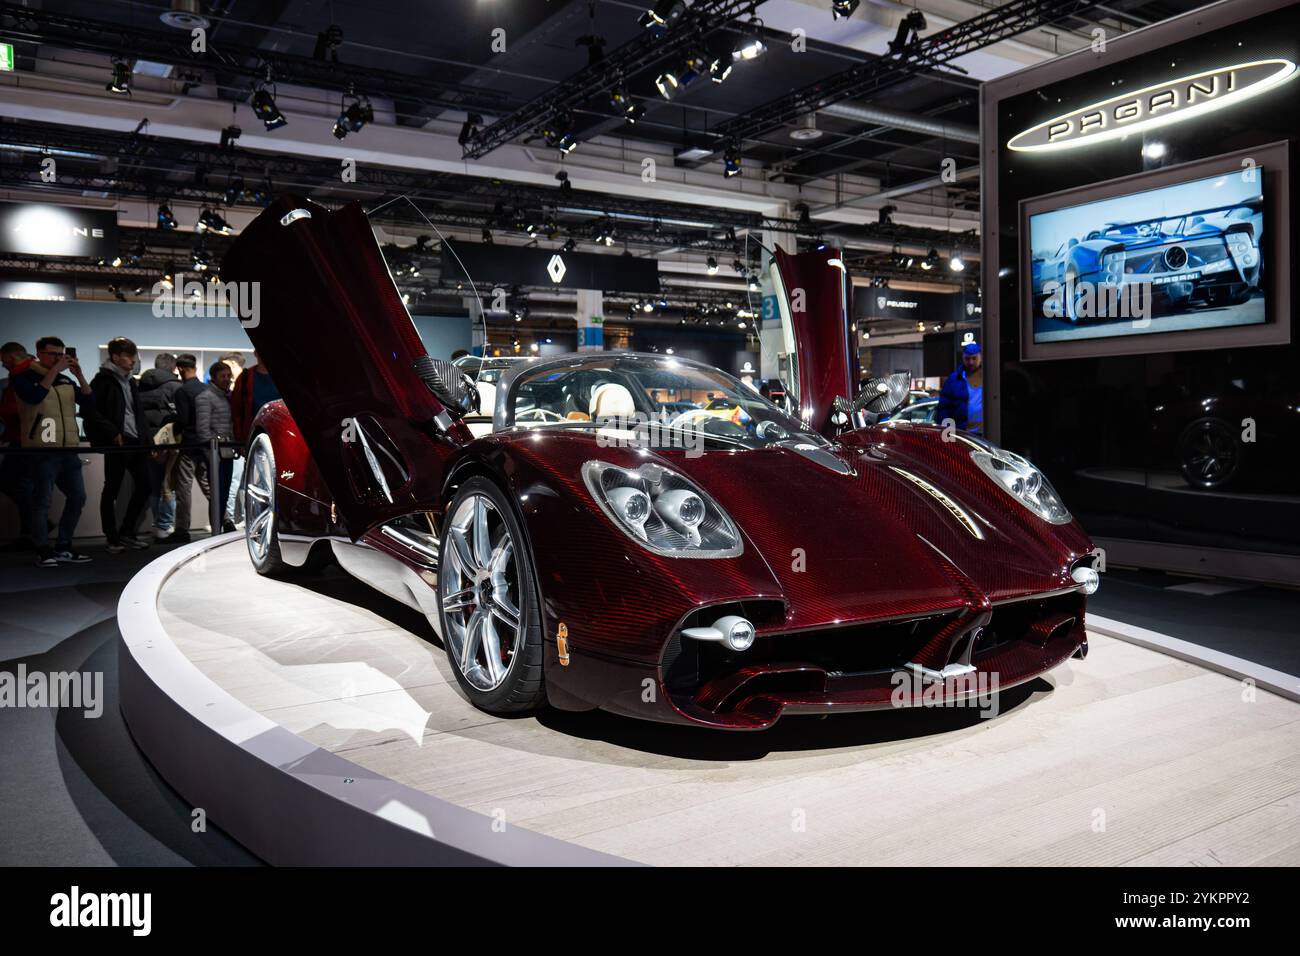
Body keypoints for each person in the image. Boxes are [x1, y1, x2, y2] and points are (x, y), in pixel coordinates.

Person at [12, 337, 96, 566]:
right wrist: (54, 372)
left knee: (78, 497)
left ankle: (63, 546)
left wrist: (78, 374)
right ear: (39, 353)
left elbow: (89, 401)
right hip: (41, 450)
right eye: (53, 354)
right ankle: (42, 549)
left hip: (68, 450)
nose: (58, 358)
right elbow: (34, 397)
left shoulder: (65, 380)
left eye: (61, 354)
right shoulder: (22, 378)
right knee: (42, 501)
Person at [88, 336, 151, 552]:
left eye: (133, 355)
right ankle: (112, 537)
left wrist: (147, 442)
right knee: (112, 488)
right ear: (116, 357)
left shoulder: (130, 381)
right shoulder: (102, 381)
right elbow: (91, 412)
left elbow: (137, 413)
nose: (133, 360)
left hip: (136, 442)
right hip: (118, 442)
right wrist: (112, 432)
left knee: (145, 485)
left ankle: (126, 532)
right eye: (128, 356)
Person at [138, 352, 182, 540]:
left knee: (155, 484)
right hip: (169, 441)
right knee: (169, 484)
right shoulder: (175, 386)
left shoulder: (140, 385)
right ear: (173, 368)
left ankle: (158, 524)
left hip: (147, 441)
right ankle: (165, 525)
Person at [195, 361, 236, 533]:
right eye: (222, 376)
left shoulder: (228, 396)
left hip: (226, 451)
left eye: (228, 375)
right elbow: (203, 431)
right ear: (213, 378)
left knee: (224, 494)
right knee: (217, 495)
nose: (226, 379)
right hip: (215, 453)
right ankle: (215, 532)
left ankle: (218, 530)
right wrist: (213, 453)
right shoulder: (204, 397)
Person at [1, 342, 35, 549]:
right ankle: (30, 529)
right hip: (21, 439)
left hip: (25, 440)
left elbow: (19, 409)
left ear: (12, 357)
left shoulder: (24, 376)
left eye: (4, 360)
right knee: (22, 485)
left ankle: (30, 530)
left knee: (21, 484)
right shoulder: (21, 376)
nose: (3, 364)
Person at [168, 353, 203, 543]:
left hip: (188, 445)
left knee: (184, 490)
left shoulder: (183, 392)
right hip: (206, 446)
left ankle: (182, 529)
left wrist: (170, 427)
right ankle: (225, 522)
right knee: (210, 488)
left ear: (180, 368)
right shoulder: (205, 389)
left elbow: (182, 420)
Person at [229, 350, 280, 445]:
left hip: (279, 432)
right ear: (255, 353)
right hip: (253, 434)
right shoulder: (246, 377)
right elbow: (236, 411)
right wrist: (240, 439)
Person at [936, 342, 984, 435]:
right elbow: (943, 409)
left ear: (980, 357)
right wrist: (947, 435)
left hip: (986, 432)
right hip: (963, 433)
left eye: (974, 358)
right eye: (967, 358)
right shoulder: (953, 380)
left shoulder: (990, 377)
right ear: (963, 358)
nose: (971, 362)